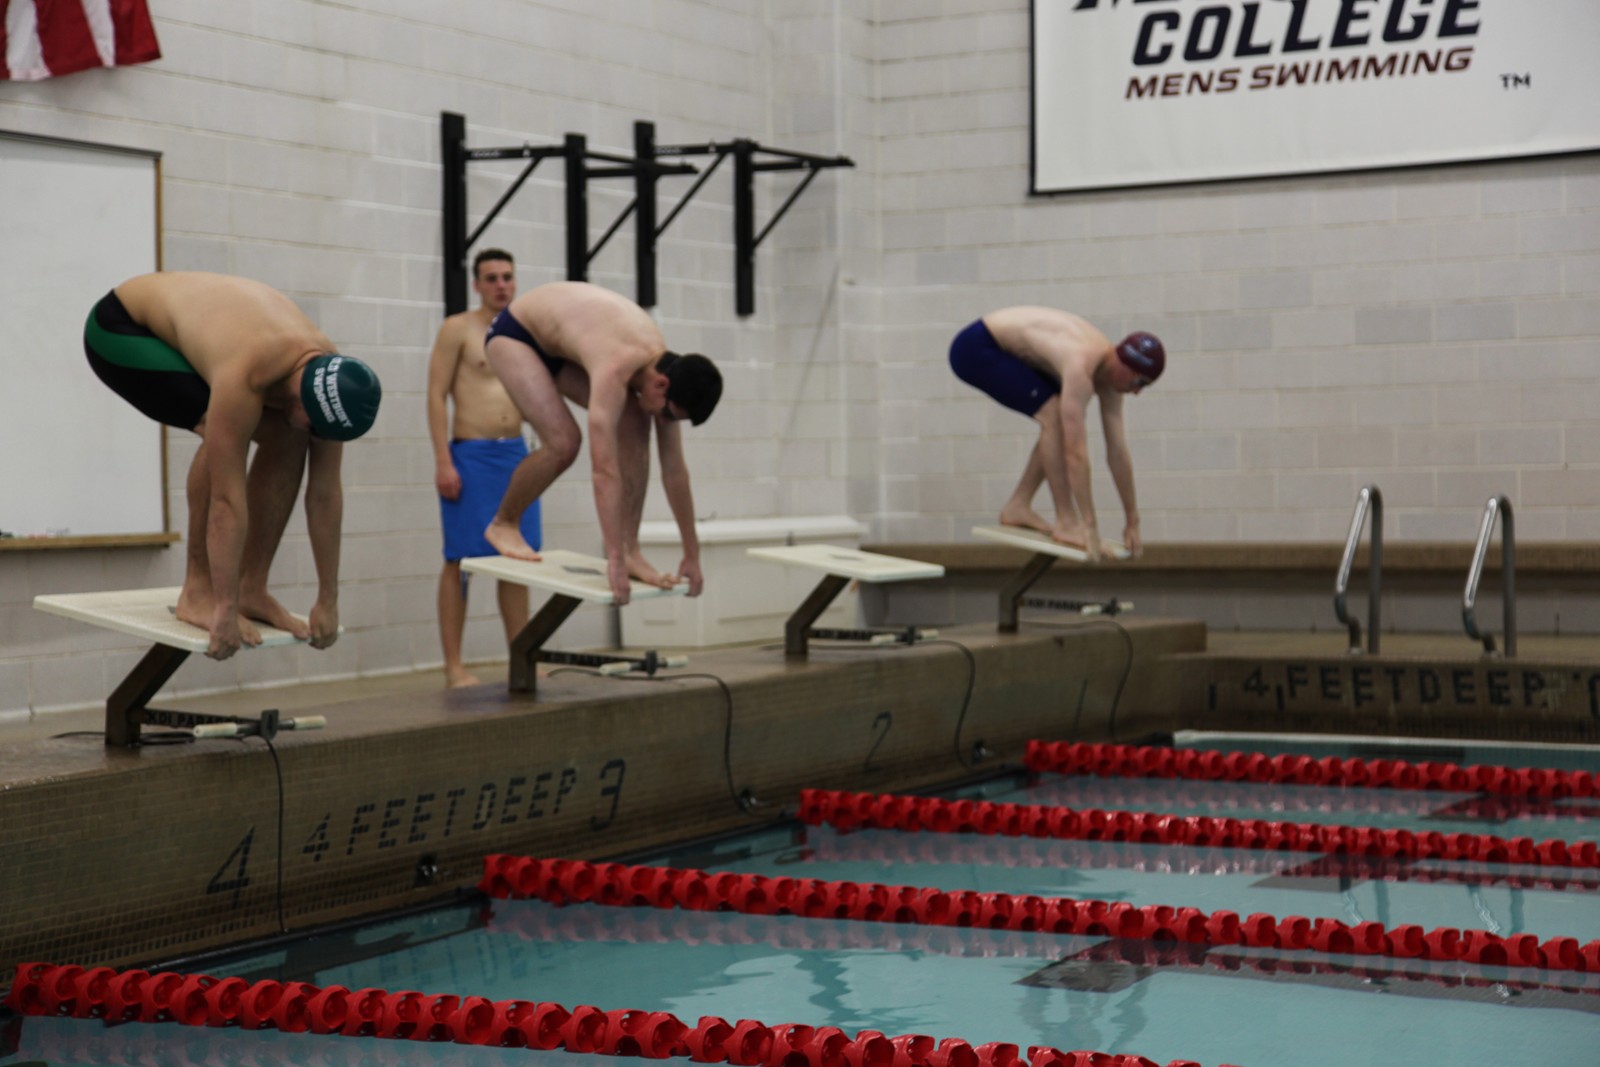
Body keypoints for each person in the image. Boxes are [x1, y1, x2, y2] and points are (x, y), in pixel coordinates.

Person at [84, 272, 381, 659]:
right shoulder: (246, 371)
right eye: (317, 428)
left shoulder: (331, 378)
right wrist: (223, 607)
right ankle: (197, 591)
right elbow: (227, 501)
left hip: (215, 332)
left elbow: (324, 496)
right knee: (220, 426)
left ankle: (252, 586)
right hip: (122, 328)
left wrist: (329, 597)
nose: (319, 439)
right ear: (301, 400)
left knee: (289, 436)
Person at [482, 281, 723, 605]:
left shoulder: (668, 376)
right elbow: (604, 473)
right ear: (661, 384)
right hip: (516, 335)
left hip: (562, 342)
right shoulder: (614, 368)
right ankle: (504, 523)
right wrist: (614, 561)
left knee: (635, 419)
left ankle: (631, 547)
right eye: (668, 414)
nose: (664, 422)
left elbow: (675, 471)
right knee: (564, 442)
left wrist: (692, 554)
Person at [949, 306, 1164, 561]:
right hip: (977, 347)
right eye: (1140, 383)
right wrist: (1088, 524)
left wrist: (1132, 520)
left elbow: (1117, 451)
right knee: (1054, 416)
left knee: (1055, 414)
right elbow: (1075, 454)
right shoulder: (1081, 364)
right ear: (1126, 366)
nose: (1137, 392)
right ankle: (1066, 521)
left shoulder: (1111, 379)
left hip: (1003, 349)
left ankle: (1018, 505)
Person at [426, 248, 541, 688]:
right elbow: (436, 395)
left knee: (518, 559)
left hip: (515, 456)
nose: (500, 285)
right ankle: (454, 665)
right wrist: (443, 460)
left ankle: (522, 654)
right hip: (469, 458)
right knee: (460, 560)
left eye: (507, 277)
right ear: (477, 284)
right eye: (491, 277)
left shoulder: (525, 331)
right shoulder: (457, 328)